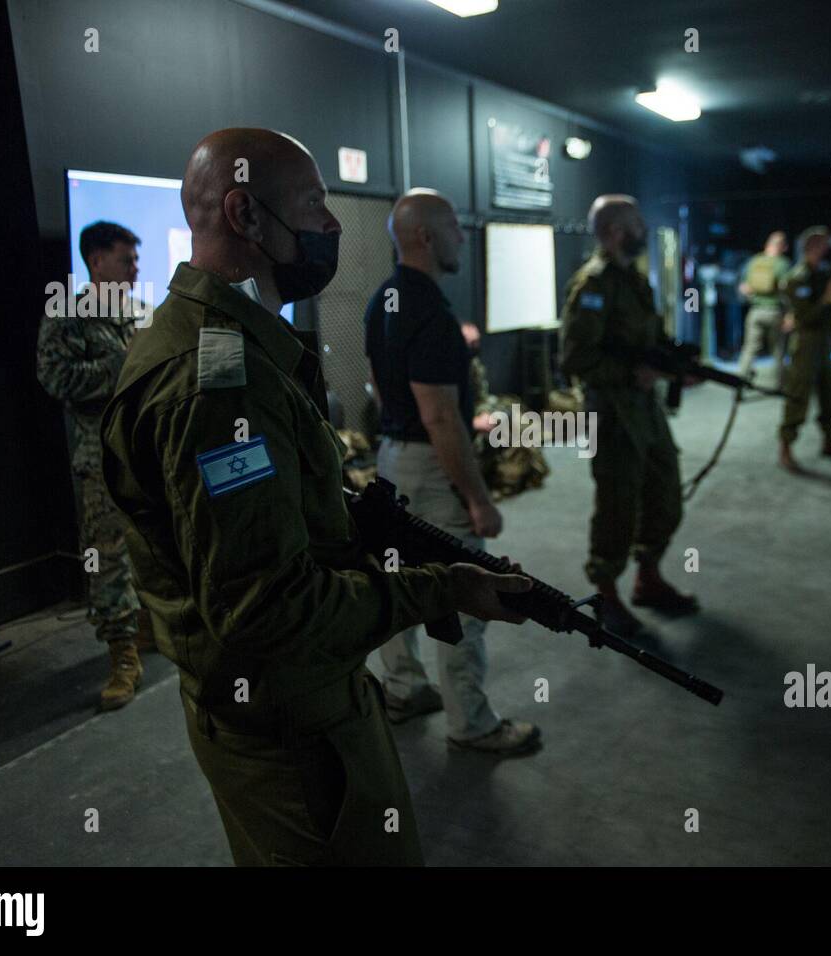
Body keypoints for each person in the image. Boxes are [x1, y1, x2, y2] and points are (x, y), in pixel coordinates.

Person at [100, 129, 531, 866]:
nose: (332, 225)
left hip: (294, 699)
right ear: (245, 214)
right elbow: (266, 610)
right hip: (291, 725)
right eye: (314, 203)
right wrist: (443, 587)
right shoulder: (219, 381)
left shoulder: (222, 339)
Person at [364, 188, 541, 756]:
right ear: (425, 236)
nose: (464, 237)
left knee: (401, 578)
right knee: (464, 590)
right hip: (431, 464)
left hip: (391, 458)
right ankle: (472, 722)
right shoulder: (434, 314)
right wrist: (478, 500)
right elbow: (440, 416)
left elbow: (379, 384)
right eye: (455, 228)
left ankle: (406, 688)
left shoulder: (382, 300)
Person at [559, 194, 698, 640]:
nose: (643, 232)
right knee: (617, 505)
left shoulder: (634, 281)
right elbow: (576, 358)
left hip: (645, 409)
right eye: (637, 224)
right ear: (617, 231)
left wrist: (674, 364)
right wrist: (631, 373)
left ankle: (647, 576)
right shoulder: (594, 284)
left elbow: (651, 338)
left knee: (666, 495)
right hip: (612, 412)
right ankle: (605, 592)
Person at [36, 220, 151, 710]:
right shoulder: (68, 316)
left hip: (150, 456)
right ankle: (122, 656)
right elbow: (55, 378)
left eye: (136, 260)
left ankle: (153, 629)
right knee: (107, 561)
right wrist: (123, 365)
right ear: (97, 261)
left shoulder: (143, 312)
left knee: (157, 548)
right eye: (126, 259)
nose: (135, 268)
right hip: (101, 460)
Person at [776, 226, 831, 473]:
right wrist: (826, 298)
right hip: (805, 342)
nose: (828, 249)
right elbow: (804, 315)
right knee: (798, 394)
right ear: (811, 247)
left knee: (829, 393)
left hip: (824, 341)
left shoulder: (825, 273)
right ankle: (786, 448)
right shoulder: (794, 278)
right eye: (823, 245)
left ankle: (829, 442)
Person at [735, 231, 791, 385]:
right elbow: (787, 292)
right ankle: (781, 384)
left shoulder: (754, 261)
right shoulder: (782, 264)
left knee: (749, 349)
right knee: (778, 350)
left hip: (755, 311)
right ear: (783, 247)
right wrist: (789, 315)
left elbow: (743, 286)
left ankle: (741, 380)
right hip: (775, 312)